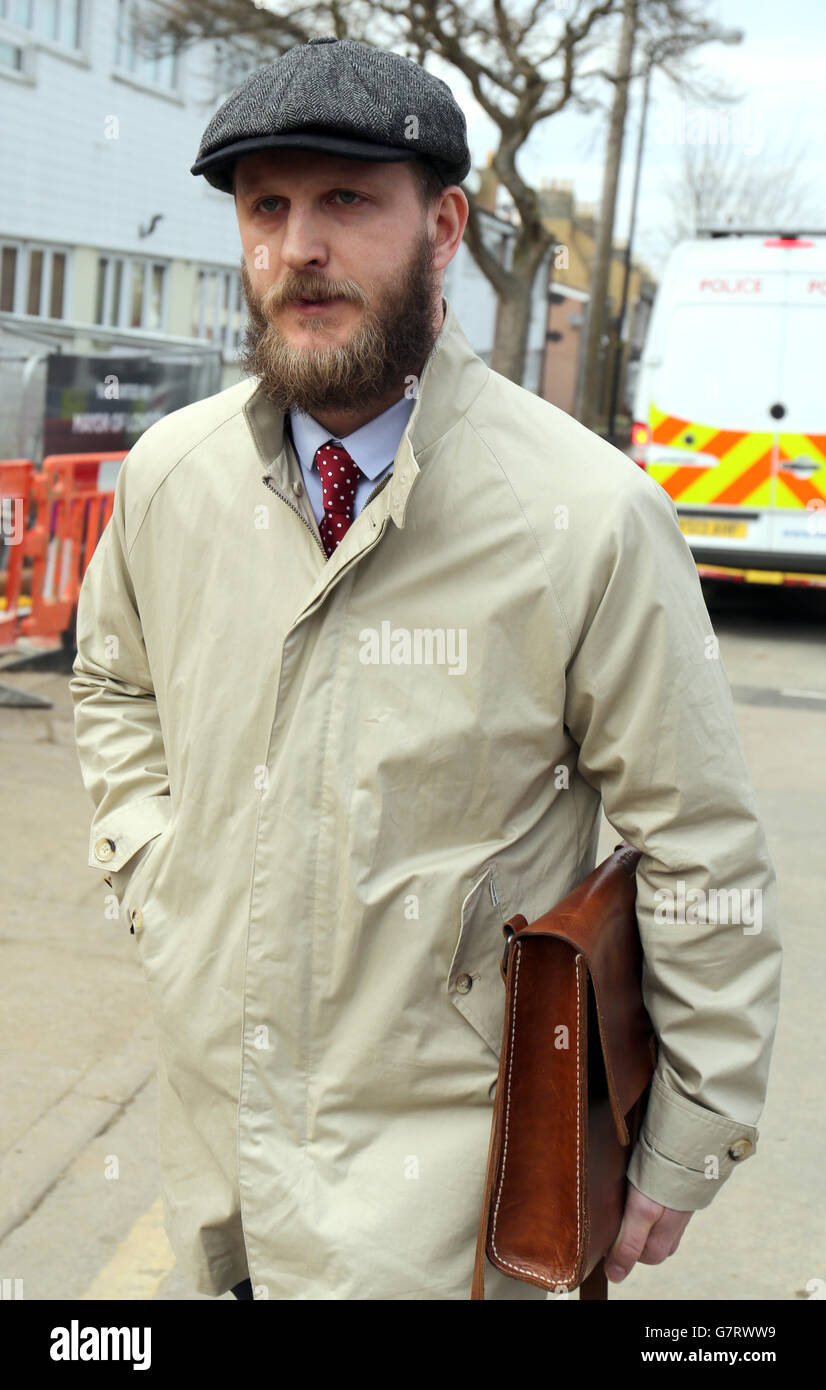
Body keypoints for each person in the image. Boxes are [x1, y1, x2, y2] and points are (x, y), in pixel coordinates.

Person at [69, 36, 782, 1302]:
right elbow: (113, 686)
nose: (300, 248)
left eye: (347, 200)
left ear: (443, 222)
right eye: (268, 207)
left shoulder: (588, 513)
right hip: (215, 1154)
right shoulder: (171, 481)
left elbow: (699, 843)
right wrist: (157, 870)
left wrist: (684, 1141)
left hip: (452, 1202)